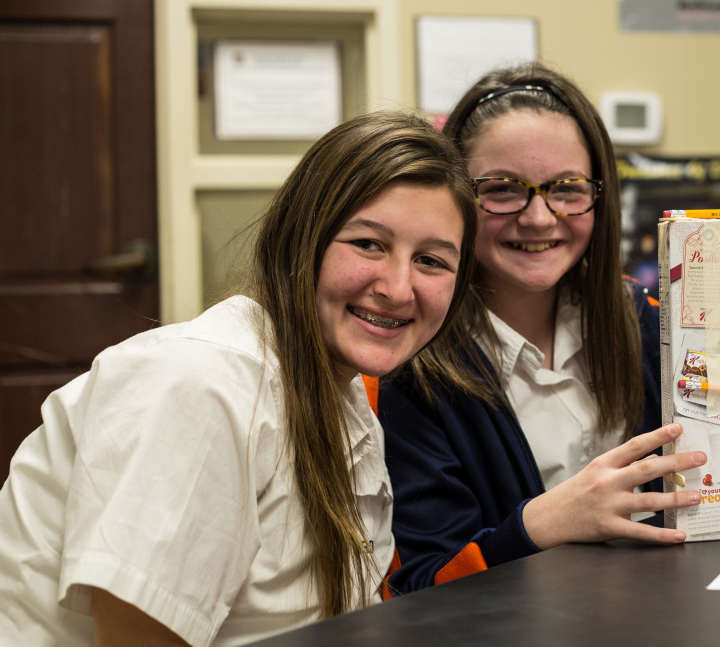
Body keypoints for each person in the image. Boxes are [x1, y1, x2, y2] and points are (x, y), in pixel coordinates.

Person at [378, 63, 720, 597]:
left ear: (599, 196)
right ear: (455, 198)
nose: (539, 217)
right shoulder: (410, 369)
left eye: (566, 188)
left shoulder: (655, 318)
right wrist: (540, 525)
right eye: (501, 188)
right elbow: (420, 589)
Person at [0, 111, 478, 646]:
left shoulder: (344, 399)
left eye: (432, 261)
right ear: (302, 239)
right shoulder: (200, 387)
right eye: (368, 244)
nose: (397, 287)